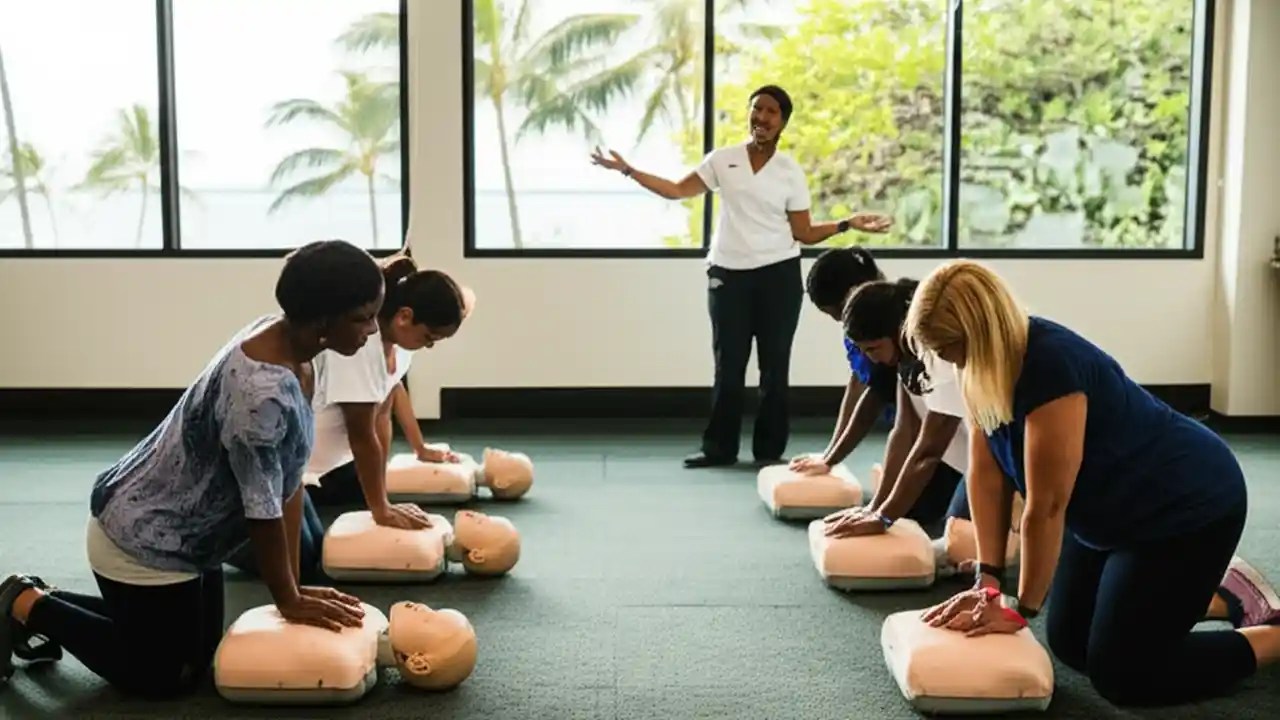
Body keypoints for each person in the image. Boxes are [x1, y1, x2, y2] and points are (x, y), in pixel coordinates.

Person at [0, 239, 382, 696]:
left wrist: (294, 588)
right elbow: (262, 510)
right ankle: (23, 601)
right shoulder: (260, 397)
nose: (373, 330)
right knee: (164, 677)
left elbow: (288, 479)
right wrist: (288, 600)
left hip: (193, 535)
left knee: (202, 657)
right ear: (323, 318)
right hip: (143, 535)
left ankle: (45, 599)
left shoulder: (291, 344)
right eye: (363, 317)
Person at [907, 259, 1280, 706]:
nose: (945, 359)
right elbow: (986, 477)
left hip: (1184, 506)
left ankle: (1274, 635)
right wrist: (987, 582)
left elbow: (1044, 508)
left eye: (948, 347)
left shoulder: (1050, 367)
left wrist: (1020, 608)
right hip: (1106, 514)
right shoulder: (980, 366)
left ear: (978, 332)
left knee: (1124, 676)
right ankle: (1215, 598)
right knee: (1069, 643)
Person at [591, 84, 893, 468]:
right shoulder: (723, 159)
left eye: (771, 112)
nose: (761, 117)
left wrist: (847, 223)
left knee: (774, 367)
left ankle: (768, 452)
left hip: (778, 276)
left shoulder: (789, 172)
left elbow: (803, 232)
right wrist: (629, 170)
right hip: (728, 275)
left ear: (782, 122)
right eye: (757, 109)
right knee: (728, 366)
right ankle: (719, 448)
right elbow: (677, 190)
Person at [810, 278, 974, 577]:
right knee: (908, 510)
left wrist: (883, 517)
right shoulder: (904, 357)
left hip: (995, 466)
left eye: (874, 348)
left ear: (898, 331)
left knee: (959, 544)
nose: (873, 358)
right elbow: (904, 431)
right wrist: (873, 507)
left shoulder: (941, 356)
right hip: (957, 460)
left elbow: (927, 450)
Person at [789, 247, 897, 476]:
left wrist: (832, 459)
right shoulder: (858, 327)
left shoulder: (892, 329)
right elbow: (858, 382)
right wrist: (830, 454)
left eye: (836, 314)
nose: (839, 321)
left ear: (852, 294)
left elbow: (872, 403)